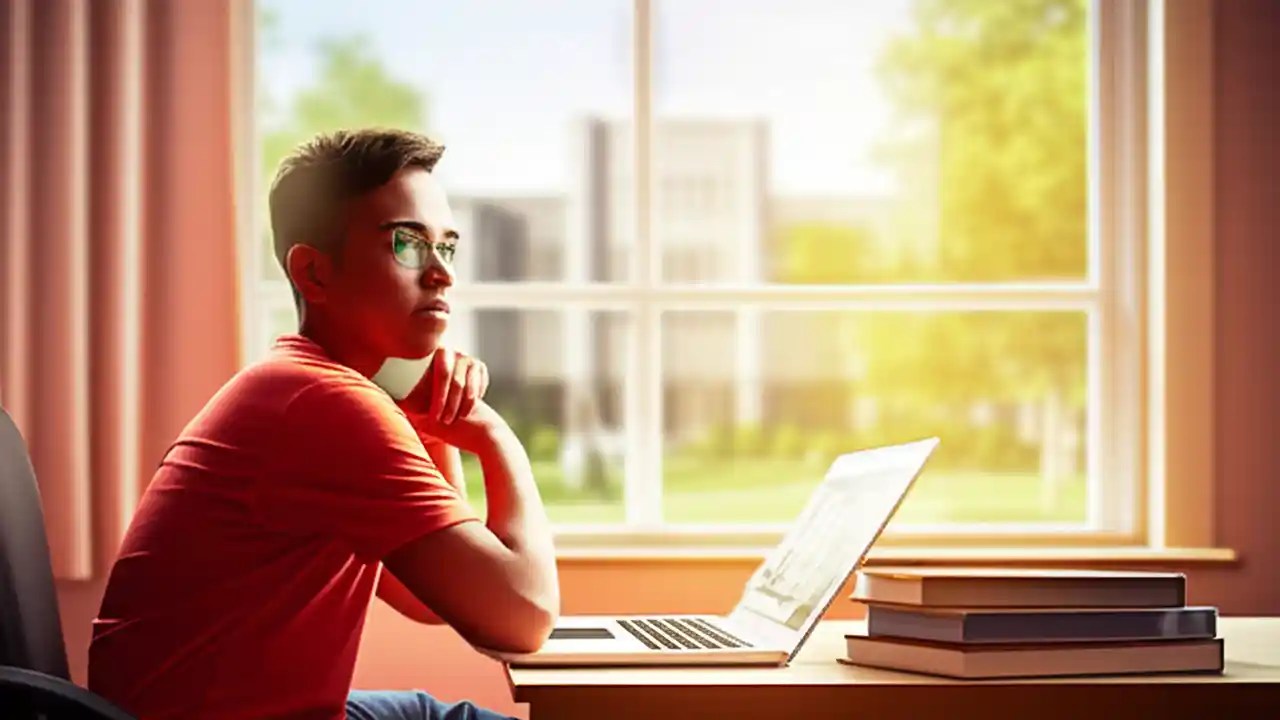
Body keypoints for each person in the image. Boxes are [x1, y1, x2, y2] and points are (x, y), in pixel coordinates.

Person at [88, 128, 559, 719]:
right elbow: (525, 616)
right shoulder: (326, 405)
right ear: (314, 273)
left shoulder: (309, 386)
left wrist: (435, 426)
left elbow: (429, 598)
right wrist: (496, 436)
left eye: (448, 247)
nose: (442, 273)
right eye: (407, 245)